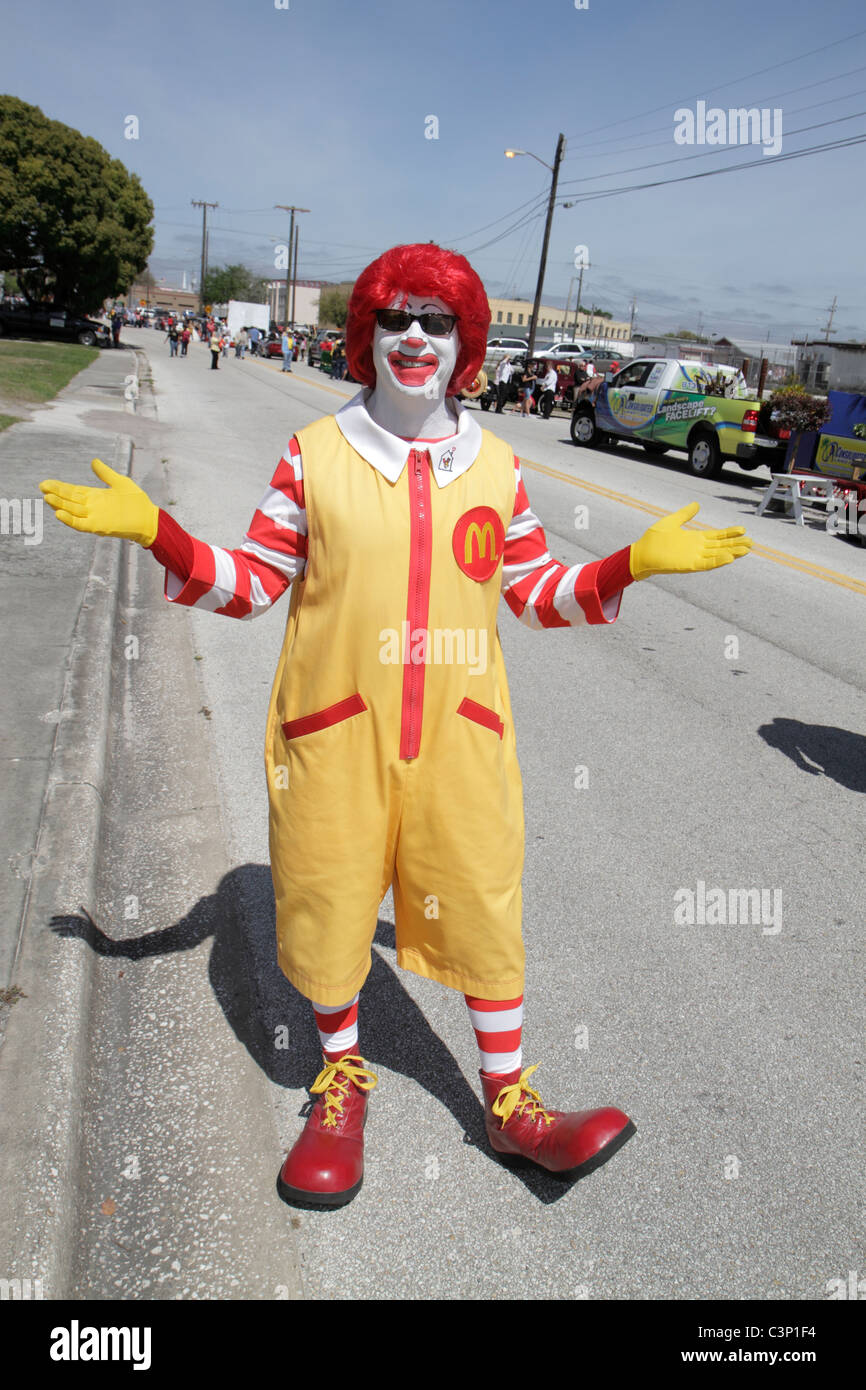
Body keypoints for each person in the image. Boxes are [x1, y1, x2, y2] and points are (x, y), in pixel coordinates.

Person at [39, 243, 752, 1211]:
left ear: (465, 343)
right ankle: (341, 1085)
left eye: (437, 320)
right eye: (395, 317)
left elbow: (536, 594)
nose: (415, 337)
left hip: (461, 740)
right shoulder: (315, 455)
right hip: (334, 737)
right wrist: (156, 532)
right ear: (365, 332)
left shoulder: (495, 467)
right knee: (330, 908)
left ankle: (509, 1105)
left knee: (483, 907)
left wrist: (631, 564)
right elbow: (251, 583)